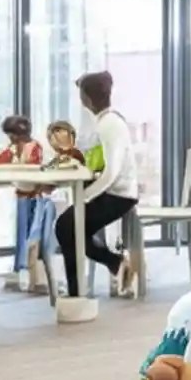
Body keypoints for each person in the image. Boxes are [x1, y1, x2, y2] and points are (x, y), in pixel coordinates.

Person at [55, 72, 138, 311]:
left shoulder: (109, 124)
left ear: (87, 99)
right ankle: (112, 264)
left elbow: (111, 173)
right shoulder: (105, 122)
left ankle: (77, 291)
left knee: (65, 227)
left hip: (119, 195)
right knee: (70, 228)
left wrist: (85, 196)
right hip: (112, 192)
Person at [0, 116, 47, 292]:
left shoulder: (34, 148)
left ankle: (35, 275)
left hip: (34, 195)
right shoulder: (12, 150)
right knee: (21, 234)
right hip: (22, 194)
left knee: (34, 235)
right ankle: (18, 269)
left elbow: (35, 167)